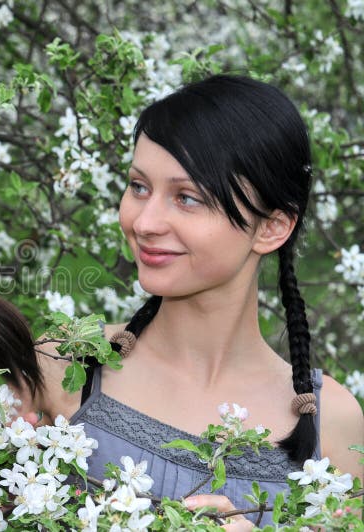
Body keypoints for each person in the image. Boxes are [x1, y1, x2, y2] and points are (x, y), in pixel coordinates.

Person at [20, 75, 364, 527]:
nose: (145, 222)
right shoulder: (67, 361)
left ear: (271, 228)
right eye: (139, 187)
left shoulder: (330, 424)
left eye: (187, 198)